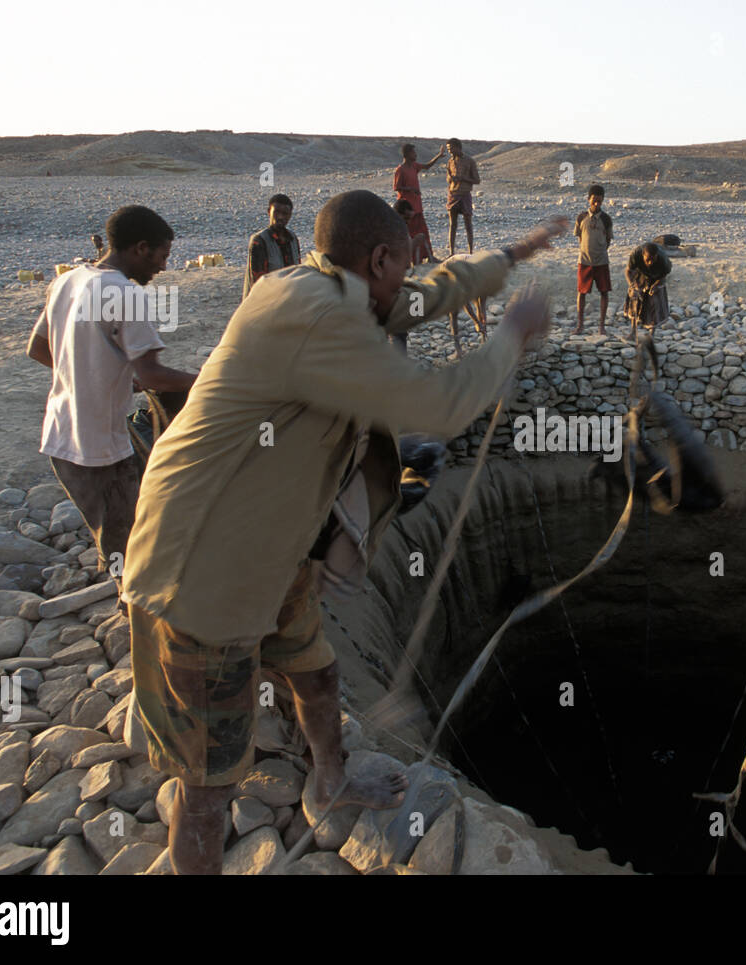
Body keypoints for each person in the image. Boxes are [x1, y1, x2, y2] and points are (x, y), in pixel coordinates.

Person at [121, 189, 567, 874]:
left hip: (274, 553)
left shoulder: (336, 286)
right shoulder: (318, 316)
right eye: (404, 263)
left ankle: (329, 780)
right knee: (209, 785)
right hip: (204, 570)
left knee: (318, 673)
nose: (409, 279)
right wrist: (511, 334)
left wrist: (510, 254)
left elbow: (423, 297)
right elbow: (438, 405)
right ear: (378, 256)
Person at [26, 205, 197, 585]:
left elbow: (39, 350)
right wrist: (209, 382)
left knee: (119, 528)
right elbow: (153, 376)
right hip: (99, 450)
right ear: (141, 248)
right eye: (163, 256)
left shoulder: (68, 281)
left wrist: (97, 375)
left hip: (61, 437)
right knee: (133, 544)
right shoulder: (125, 294)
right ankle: (134, 611)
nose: (164, 268)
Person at [242, 193, 301, 299]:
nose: (281, 217)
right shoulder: (260, 240)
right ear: (269, 212)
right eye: (277, 212)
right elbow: (257, 283)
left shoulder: (293, 239)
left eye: (285, 213)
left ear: (290, 215)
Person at [393, 143, 444, 261]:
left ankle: (428, 256)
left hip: (417, 205)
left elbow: (427, 166)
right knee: (410, 233)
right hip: (407, 208)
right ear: (407, 154)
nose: (416, 155)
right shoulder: (401, 169)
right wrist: (411, 189)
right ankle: (411, 258)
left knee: (423, 231)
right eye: (413, 153)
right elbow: (396, 187)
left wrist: (438, 156)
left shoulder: (414, 166)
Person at [574, 184, 613, 336]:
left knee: (604, 292)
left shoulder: (606, 219)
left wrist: (601, 250)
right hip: (584, 261)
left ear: (603, 200)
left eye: (599, 201)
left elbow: (608, 239)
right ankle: (580, 325)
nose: (596, 204)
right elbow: (579, 237)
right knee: (581, 292)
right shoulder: (581, 217)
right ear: (588, 199)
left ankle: (601, 326)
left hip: (601, 261)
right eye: (594, 201)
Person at [623, 242, 672, 336]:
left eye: (653, 259)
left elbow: (663, 277)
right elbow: (628, 271)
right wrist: (632, 285)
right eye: (648, 259)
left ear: (656, 256)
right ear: (643, 255)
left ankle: (651, 335)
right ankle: (633, 332)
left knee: (654, 302)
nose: (650, 262)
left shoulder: (664, 261)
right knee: (635, 298)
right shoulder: (636, 255)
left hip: (656, 276)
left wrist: (655, 286)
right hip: (640, 273)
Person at [444, 139, 480, 256]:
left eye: (451, 149)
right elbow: (448, 178)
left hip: (465, 194)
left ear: (458, 148)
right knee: (452, 224)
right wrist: (451, 179)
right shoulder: (450, 162)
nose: (450, 151)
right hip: (453, 194)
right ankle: (451, 252)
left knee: (468, 224)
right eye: (448, 149)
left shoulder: (470, 161)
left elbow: (477, 180)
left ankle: (470, 251)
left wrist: (463, 179)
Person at [393, 199, 432, 266]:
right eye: (406, 218)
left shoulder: (402, 226)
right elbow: (398, 252)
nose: (408, 222)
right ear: (397, 214)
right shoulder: (391, 227)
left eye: (410, 219)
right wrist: (415, 242)